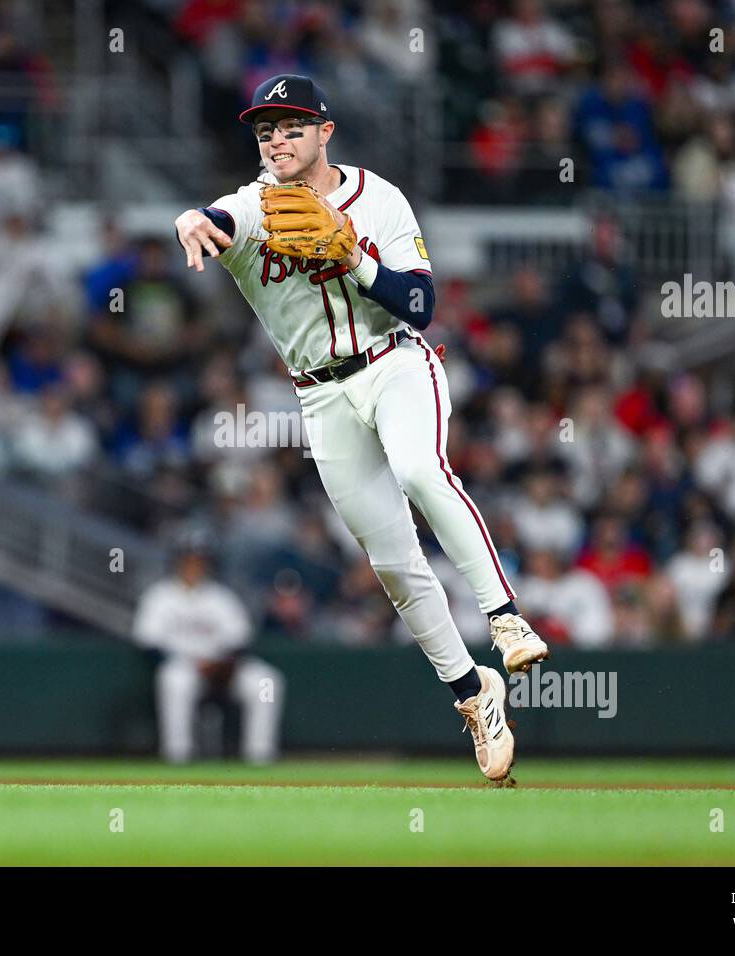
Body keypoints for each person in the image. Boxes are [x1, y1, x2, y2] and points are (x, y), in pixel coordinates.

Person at [172, 74, 548, 783]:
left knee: (418, 470)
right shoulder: (254, 205)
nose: (276, 140)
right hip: (319, 396)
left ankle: (504, 618)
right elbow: (214, 219)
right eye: (265, 130)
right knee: (392, 564)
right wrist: (192, 220)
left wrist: (354, 257)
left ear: (325, 131)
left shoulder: (380, 199)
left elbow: (422, 302)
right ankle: (473, 695)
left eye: (291, 126)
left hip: (394, 363)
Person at [132, 536, 284, 765]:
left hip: (224, 667)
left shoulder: (220, 597)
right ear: (178, 562)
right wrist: (193, 663)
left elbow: (241, 640)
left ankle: (260, 755)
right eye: (189, 560)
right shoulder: (160, 596)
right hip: (183, 666)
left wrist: (222, 664)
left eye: (199, 561)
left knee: (267, 681)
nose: (194, 566)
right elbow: (148, 641)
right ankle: (178, 754)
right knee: (174, 680)